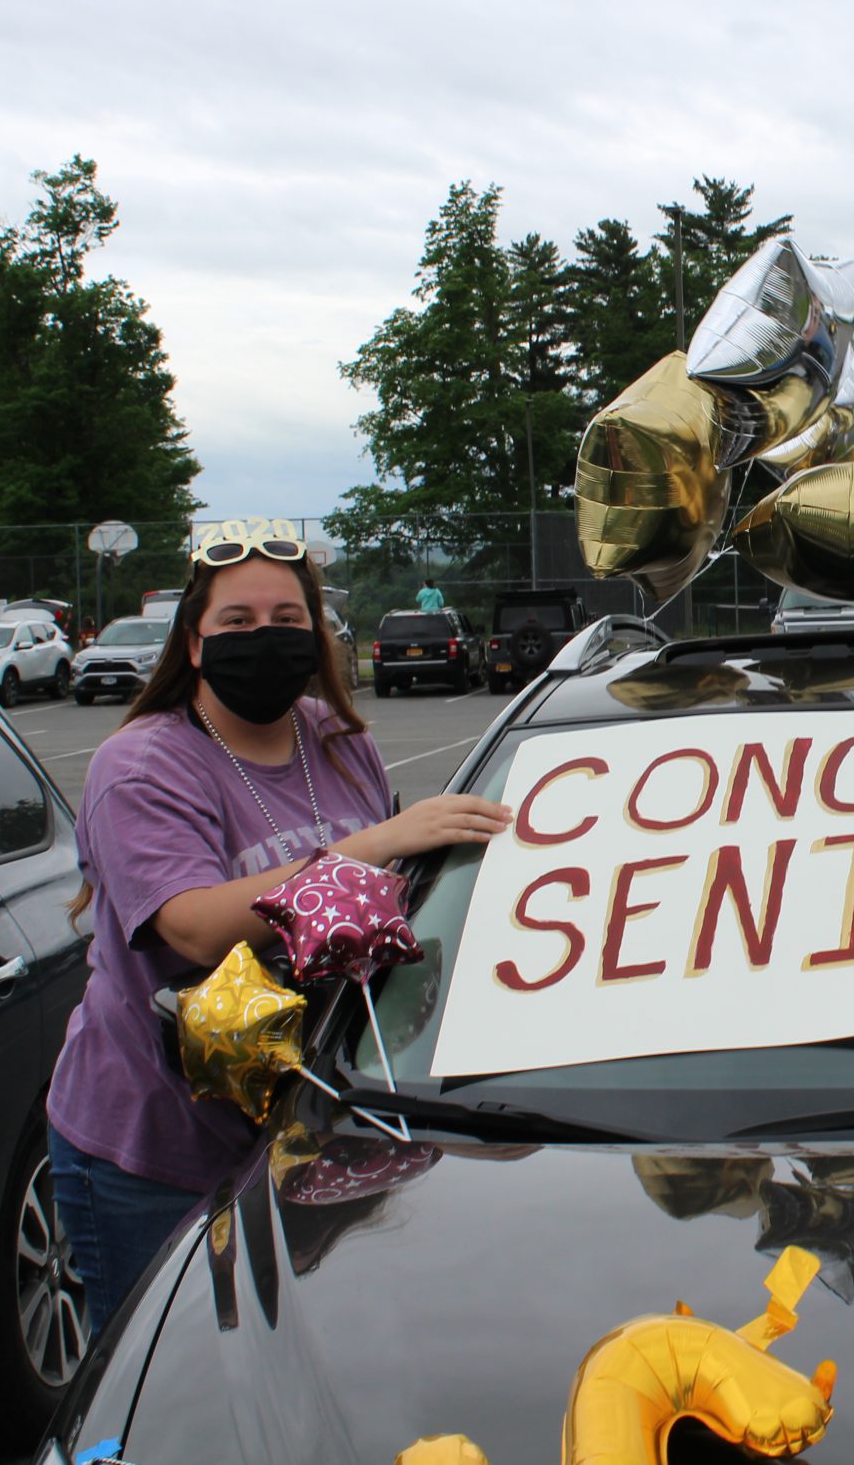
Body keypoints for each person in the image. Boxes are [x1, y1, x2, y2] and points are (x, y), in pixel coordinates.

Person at [44, 530, 514, 1325]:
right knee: (170, 1390)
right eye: (236, 621)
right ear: (194, 644)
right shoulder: (140, 765)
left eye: (286, 616)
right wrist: (366, 846)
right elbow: (191, 928)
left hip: (314, 1130)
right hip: (159, 1149)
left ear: (317, 631)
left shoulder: (338, 739)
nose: (263, 636)